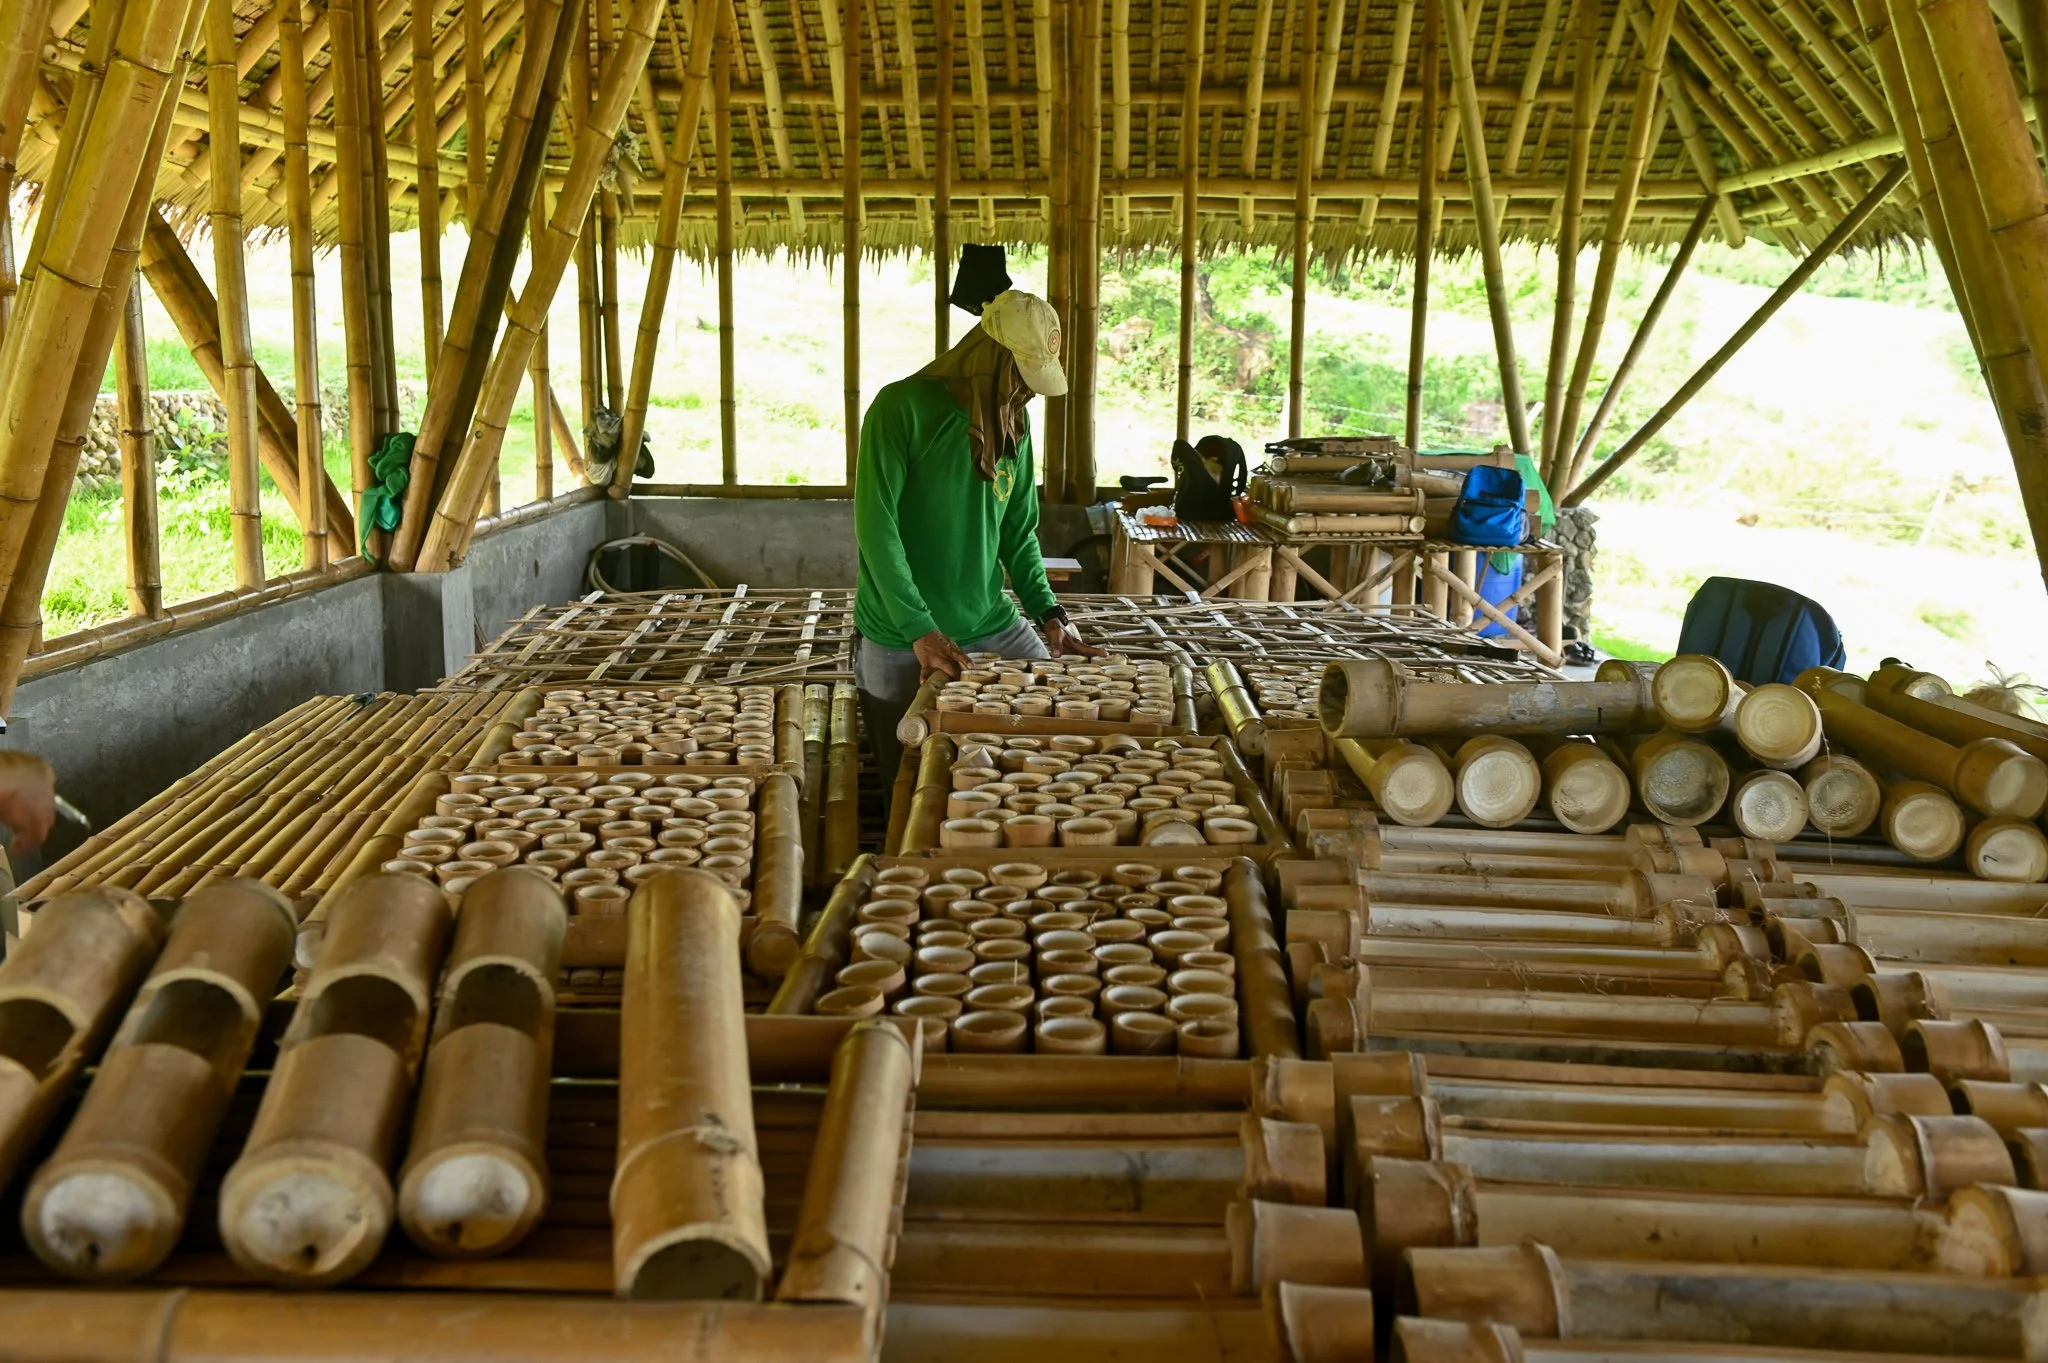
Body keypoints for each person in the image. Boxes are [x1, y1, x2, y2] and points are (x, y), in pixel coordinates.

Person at [853, 288, 1105, 789]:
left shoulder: (1013, 421)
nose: (1027, 393)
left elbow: (1018, 530)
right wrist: (920, 630)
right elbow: (876, 529)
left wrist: (1049, 612)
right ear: (988, 357)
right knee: (905, 775)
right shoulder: (901, 407)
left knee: (1049, 741)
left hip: (990, 622)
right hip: (899, 633)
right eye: (1021, 375)